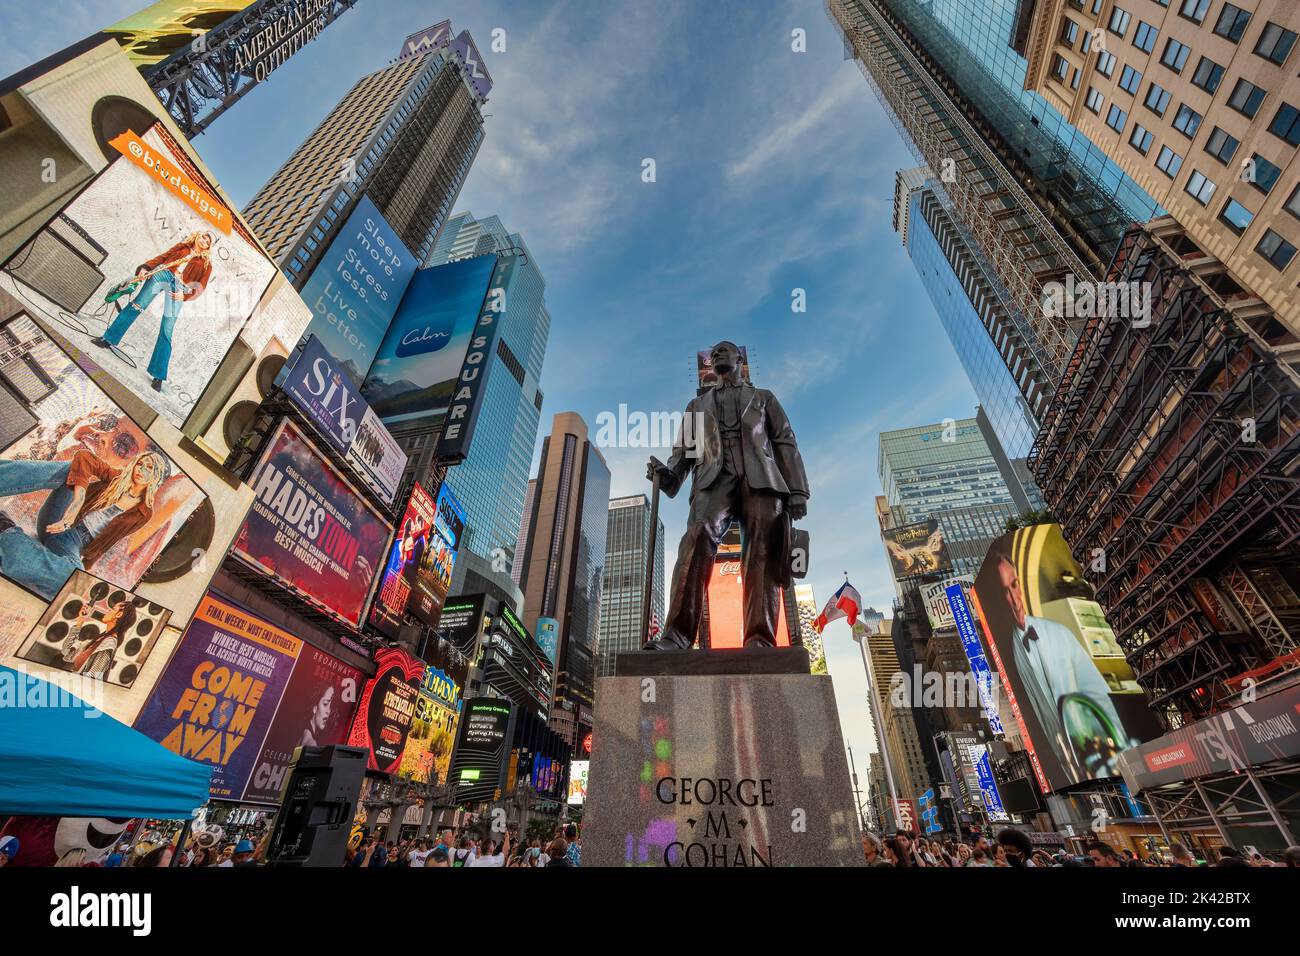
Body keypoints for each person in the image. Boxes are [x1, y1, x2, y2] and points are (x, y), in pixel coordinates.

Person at [644, 341, 809, 652]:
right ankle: (677, 636)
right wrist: (669, 475)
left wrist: (797, 489)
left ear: (739, 359)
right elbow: (684, 452)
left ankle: (759, 638)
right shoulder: (697, 406)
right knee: (697, 535)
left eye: (725, 350)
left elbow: (785, 440)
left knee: (762, 549)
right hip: (712, 478)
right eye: (714, 353)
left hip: (762, 479)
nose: (717, 354)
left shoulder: (763, 397)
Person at [992, 551, 1134, 781]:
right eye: (1004, 591)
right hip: (1058, 770)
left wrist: (1123, 753)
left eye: (1015, 584)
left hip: (1100, 758)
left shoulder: (1058, 633)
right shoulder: (1004, 653)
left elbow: (1099, 697)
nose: (1014, 597)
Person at [0, 449, 166, 600]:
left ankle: (4, 529)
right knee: (72, 469)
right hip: (59, 519)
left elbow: (110, 540)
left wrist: (85, 566)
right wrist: (77, 502)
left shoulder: (143, 513)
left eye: (149, 468)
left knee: (72, 582)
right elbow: (84, 457)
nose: (141, 470)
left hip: (73, 543)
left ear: (156, 476)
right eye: (140, 464)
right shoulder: (117, 478)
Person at [93, 232, 213, 392]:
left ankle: (158, 375)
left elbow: (201, 286)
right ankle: (108, 339)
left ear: (209, 246)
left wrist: (184, 295)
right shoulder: (183, 247)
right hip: (163, 274)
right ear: (198, 236)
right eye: (204, 237)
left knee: (167, 327)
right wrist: (145, 267)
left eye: (208, 241)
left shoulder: (206, 264)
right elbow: (164, 257)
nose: (204, 240)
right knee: (137, 305)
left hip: (180, 288)